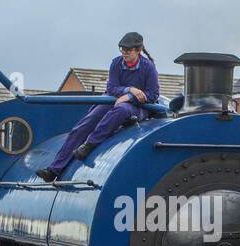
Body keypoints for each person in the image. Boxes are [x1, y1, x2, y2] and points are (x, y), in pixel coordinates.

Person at [37, 32, 160, 182]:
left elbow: (153, 94)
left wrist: (130, 97)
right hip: (114, 100)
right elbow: (112, 87)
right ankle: (54, 169)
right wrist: (129, 89)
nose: (124, 53)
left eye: (128, 50)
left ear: (137, 50)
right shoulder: (116, 63)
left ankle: (89, 144)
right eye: (122, 50)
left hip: (138, 106)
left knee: (121, 110)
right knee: (86, 123)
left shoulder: (148, 68)